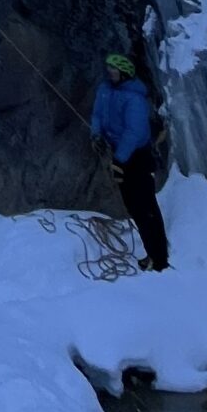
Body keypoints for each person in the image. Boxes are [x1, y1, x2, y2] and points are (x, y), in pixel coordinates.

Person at [91, 50, 169, 272]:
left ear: (124, 73)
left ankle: (159, 258)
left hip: (136, 158)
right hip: (120, 154)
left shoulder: (134, 99)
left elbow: (133, 133)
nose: (110, 73)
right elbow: (97, 114)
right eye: (109, 70)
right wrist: (96, 134)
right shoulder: (106, 90)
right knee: (134, 207)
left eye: (114, 70)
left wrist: (119, 160)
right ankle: (152, 254)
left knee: (145, 207)